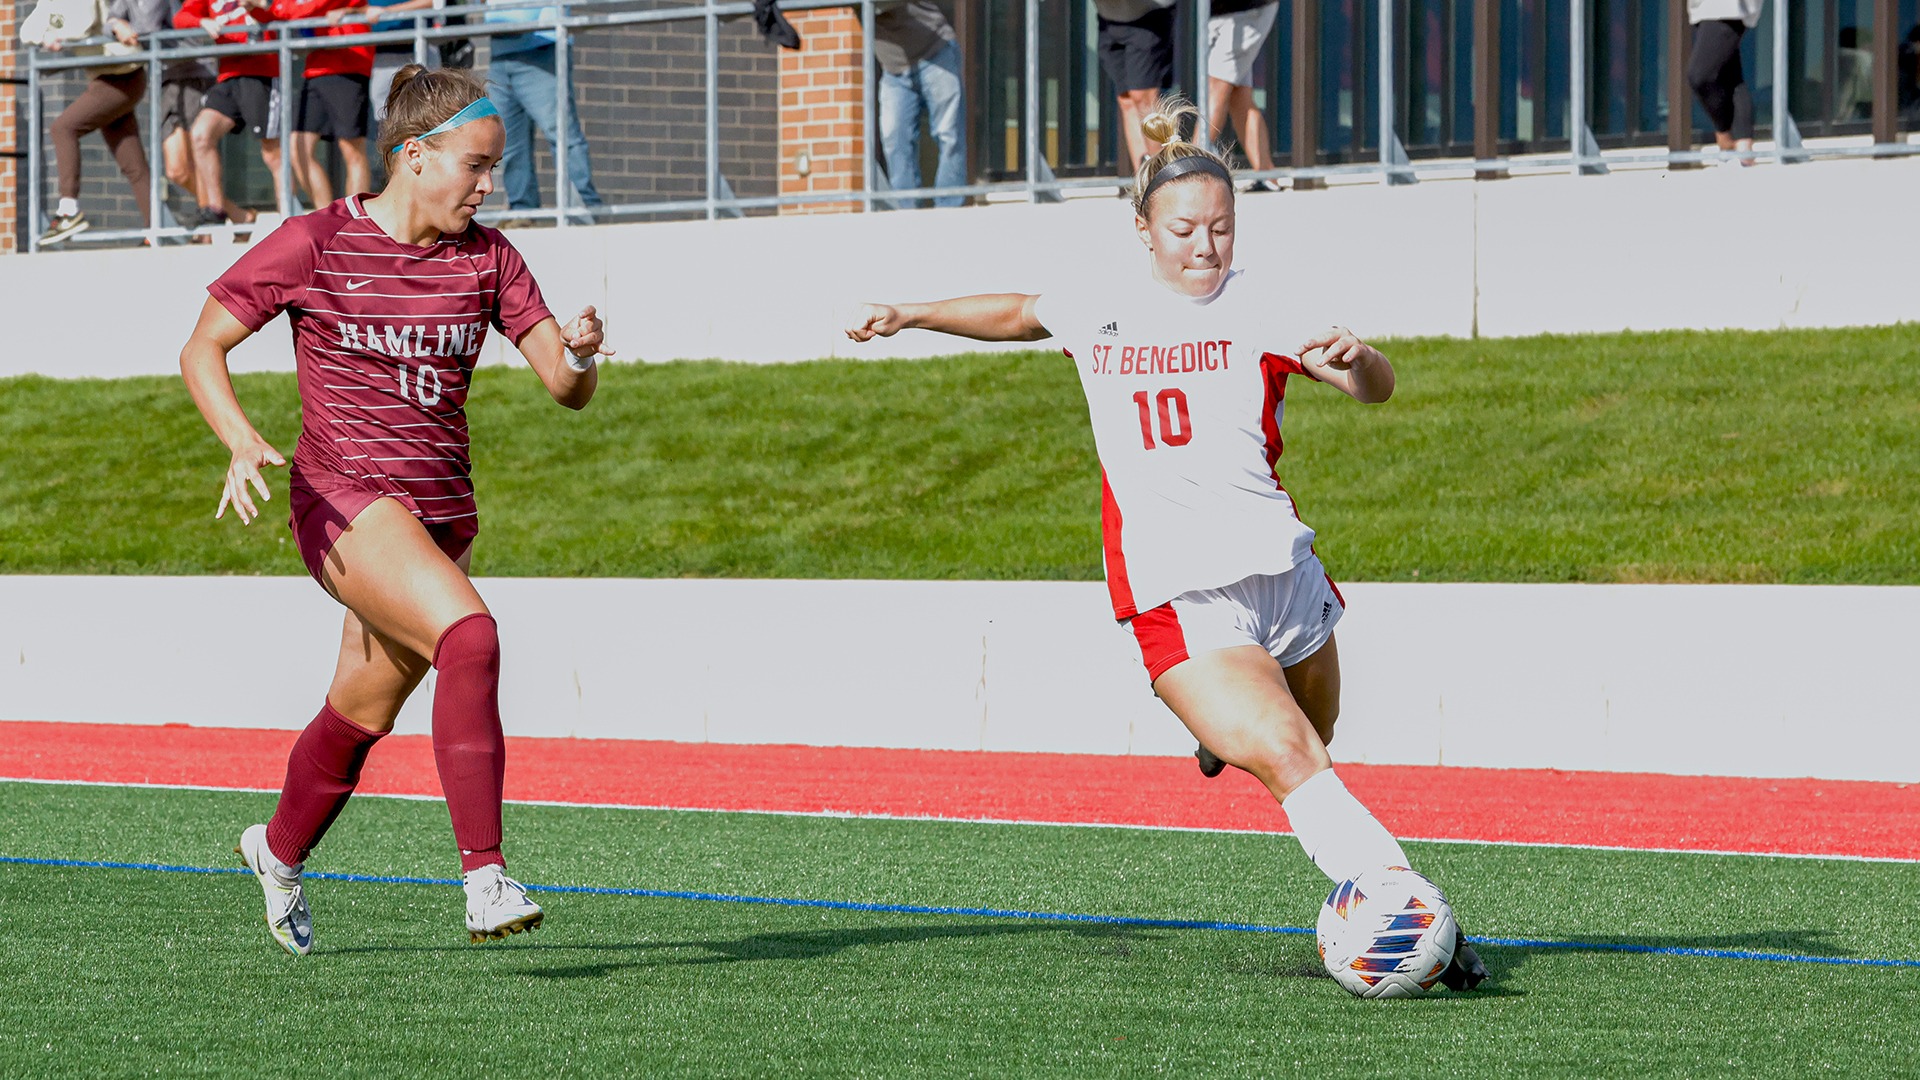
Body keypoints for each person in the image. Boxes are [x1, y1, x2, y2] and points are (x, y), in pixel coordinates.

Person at [844, 98, 1487, 993]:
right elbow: (1021, 312)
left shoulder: (1264, 308)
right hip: (1183, 598)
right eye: (1185, 227)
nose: (1206, 246)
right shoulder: (1098, 308)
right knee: (1294, 756)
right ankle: (1418, 922)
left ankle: (1226, 738)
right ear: (1142, 228)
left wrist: (1362, 355)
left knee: (1317, 735)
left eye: (1222, 228)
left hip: (1286, 576)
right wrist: (909, 314)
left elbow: (1373, 388)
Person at [178, 65, 613, 955]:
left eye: (496, 167)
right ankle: (485, 877)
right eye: (476, 165)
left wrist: (582, 353)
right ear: (415, 156)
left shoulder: (490, 257)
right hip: (340, 501)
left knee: (360, 715)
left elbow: (565, 391)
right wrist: (237, 435)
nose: (490, 184)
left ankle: (278, 849)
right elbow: (203, 344)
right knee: (473, 637)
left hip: (440, 520)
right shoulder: (314, 241)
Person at [23, 0, 161, 244]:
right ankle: (155, 230)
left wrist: (54, 34)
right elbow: (27, 30)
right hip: (103, 78)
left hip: (123, 74)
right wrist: (45, 35)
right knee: (131, 160)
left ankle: (69, 211)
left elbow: (83, 25)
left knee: (63, 128)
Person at [482, 0, 604, 218]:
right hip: (500, 49)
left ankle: (583, 210)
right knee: (508, 142)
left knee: (562, 135)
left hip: (541, 45)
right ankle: (523, 212)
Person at [176, 0, 283, 226]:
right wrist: (201, 20)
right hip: (227, 75)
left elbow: (282, 13)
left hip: (262, 72)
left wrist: (257, 5)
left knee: (272, 153)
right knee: (201, 135)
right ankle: (217, 209)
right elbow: (180, 19)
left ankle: (288, 218)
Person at [269, 0, 374, 206]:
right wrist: (257, 8)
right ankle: (328, 222)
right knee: (298, 148)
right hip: (316, 68)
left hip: (349, 64)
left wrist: (277, 8)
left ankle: (357, 224)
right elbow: (276, 12)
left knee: (351, 147)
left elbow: (307, 8)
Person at [874, 0, 965, 209]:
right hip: (894, 69)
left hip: (935, 52)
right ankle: (907, 212)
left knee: (948, 134)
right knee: (894, 139)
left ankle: (948, 209)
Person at [1093, 0, 1177, 186]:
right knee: (1126, 100)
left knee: (1143, 98)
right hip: (1110, 19)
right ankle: (1145, 181)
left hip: (1149, 15)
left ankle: (1165, 177)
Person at [159, 0, 224, 223]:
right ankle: (233, 213)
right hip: (167, 79)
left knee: (197, 157)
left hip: (194, 74)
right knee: (176, 171)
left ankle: (209, 222)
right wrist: (115, 23)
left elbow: (146, 24)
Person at [1205, 0, 1279, 192]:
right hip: (1219, 13)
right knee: (1238, 95)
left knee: (1217, 86)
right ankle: (1267, 174)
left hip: (1247, 12)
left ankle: (1191, 167)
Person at [1685, 0, 1764, 165]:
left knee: (1699, 75)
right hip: (1706, 8)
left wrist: (1722, 128)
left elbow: (1699, 77)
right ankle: (1744, 151)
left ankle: (1727, 140)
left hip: (1727, 7)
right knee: (1731, 77)